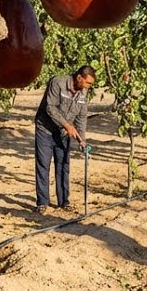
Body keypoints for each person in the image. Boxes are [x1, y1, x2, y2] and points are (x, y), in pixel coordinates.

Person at [33, 65, 97, 214]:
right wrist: (67, 125)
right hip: (45, 130)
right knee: (43, 165)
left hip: (63, 133)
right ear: (79, 77)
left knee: (63, 165)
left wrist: (82, 139)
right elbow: (50, 108)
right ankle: (42, 202)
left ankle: (64, 201)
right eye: (88, 83)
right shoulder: (58, 83)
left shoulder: (83, 93)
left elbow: (81, 117)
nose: (89, 87)